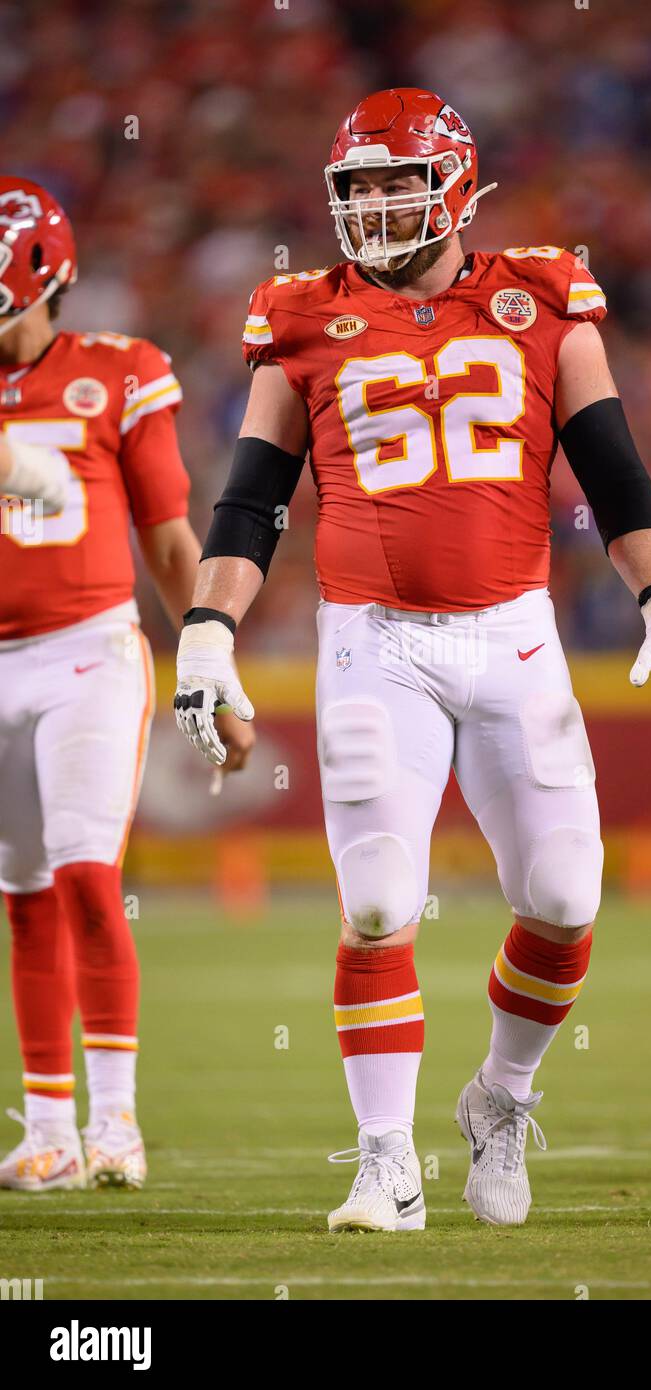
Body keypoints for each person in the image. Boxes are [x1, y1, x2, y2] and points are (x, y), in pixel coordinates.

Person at [174, 88, 651, 1230]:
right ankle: (384, 1162)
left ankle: (498, 1097)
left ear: (457, 183)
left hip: (513, 636)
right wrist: (209, 627)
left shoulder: (540, 300)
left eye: (393, 183)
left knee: (564, 896)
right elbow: (250, 500)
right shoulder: (300, 320)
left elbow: (611, 474)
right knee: (375, 904)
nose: (371, 207)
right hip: (372, 643)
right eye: (355, 187)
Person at [0, 177, 254, 1192]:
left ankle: (117, 1124)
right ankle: (50, 1129)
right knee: (22, 901)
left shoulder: (118, 372)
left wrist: (213, 669)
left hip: (85, 654)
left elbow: (167, 540)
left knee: (87, 881)